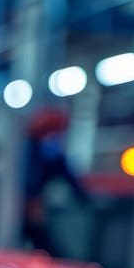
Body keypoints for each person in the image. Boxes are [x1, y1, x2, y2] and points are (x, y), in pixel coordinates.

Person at [22, 109, 88, 256]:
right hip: (14, 208)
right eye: (53, 133)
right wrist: (31, 202)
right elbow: (28, 180)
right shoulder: (26, 151)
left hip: (30, 208)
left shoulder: (52, 154)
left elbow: (68, 175)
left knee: (48, 248)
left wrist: (85, 198)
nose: (57, 138)